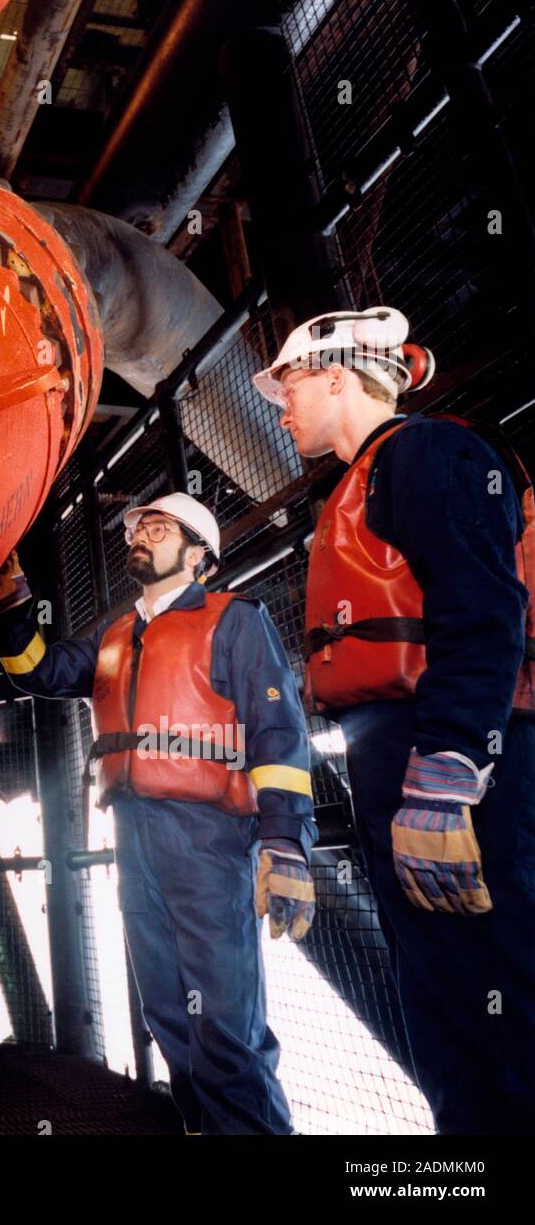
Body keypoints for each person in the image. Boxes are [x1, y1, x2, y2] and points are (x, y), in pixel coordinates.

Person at [252, 305, 535, 1134]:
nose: (282, 406)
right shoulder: (367, 477)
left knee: (500, 1011)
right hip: (402, 759)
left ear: (336, 375)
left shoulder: (426, 454)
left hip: (458, 764)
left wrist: (445, 778)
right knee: (449, 1015)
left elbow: (484, 612)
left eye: (290, 384)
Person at [0, 492, 316, 1134]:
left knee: (225, 1023)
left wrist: (286, 842)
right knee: (168, 1010)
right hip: (133, 838)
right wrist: (9, 603)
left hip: (210, 841)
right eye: (140, 527)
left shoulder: (236, 621)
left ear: (200, 558)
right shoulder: (113, 639)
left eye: (161, 528)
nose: (143, 533)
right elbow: (41, 671)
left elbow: (279, 732)